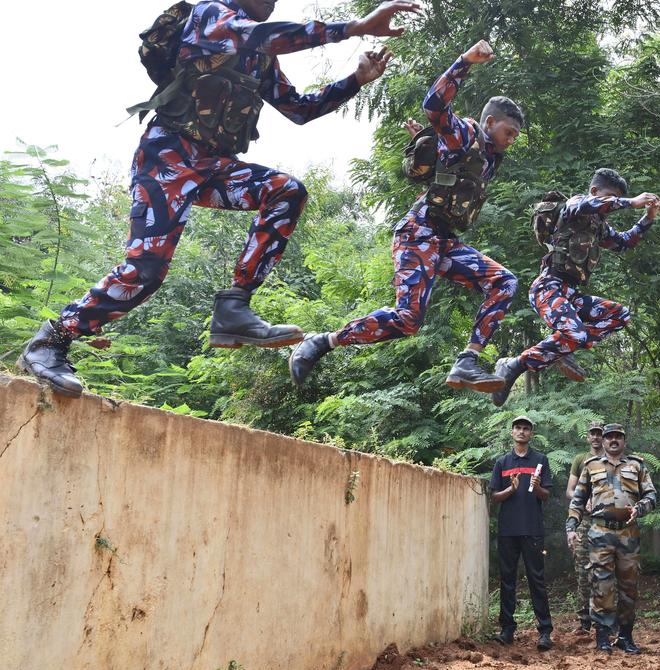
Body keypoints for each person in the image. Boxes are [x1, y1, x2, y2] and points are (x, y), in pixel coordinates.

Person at [19, 0, 421, 397]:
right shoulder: (211, 15)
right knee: (145, 272)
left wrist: (355, 81)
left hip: (214, 166)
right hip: (169, 159)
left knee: (286, 190)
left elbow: (300, 109)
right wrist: (352, 27)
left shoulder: (261, 60)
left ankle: (234, 307)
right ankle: (51, 340)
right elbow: (261, 35)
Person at [290, 39, 522, 392]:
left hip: (445, 242)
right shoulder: (465, 134)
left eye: (516, 136)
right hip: (418, 234)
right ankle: (321, 341)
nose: (512, 140)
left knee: (504, 281)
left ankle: (468, 361)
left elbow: (449, 176)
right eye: (509, 132)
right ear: (491, 122)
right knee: (409, 319)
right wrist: (464, 61)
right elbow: (434, 105)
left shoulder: (490, 159)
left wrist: (435, 150)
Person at [490, 169, 660, 406]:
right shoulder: (575, 204)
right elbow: (586, 206)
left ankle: (563, 347)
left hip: (572, 295)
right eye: (609, 197)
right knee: (575, 334)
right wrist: (631, 203)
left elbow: (623, 243)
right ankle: (514, 364)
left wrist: (648, 217)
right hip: (548, 288)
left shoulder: (598, 225)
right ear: (594, 191)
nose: (611, 204)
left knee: (620, 314)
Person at [565, 423, 658, 654]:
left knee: (629, 587)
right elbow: (577, 500)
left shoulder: (637, 465)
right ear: (603, 441)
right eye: (609, 437)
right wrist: (571, 527)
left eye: (618, 437)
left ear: (624, 441)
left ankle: (625, 636)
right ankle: (603, 637)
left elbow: (652, 495)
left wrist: (641, 508)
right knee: (601, 585)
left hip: (629, 534)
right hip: (600, 534)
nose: (613, 441)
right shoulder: (590, 465)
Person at [487, 415, 553, 650]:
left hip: (533, 529)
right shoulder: (502, 462)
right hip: (508, 530)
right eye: (518, 428)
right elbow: (494, 497)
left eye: (526, 429)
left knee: (537, 580)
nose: (522, 432)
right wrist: (511, 489)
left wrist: (536, 488)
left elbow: (546, 496)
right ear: (512, 432)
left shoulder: (540, 460)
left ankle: (545, 631)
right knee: (507, 580)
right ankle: (507, 629)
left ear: (531, 434)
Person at [565, 420, 606, 633]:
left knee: (607, 572)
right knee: (582, 571)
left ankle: (605, 621)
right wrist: (584, 501)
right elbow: (570, 491)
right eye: (593, 433)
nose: (596, 437)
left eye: (600, 433)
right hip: (583, 521)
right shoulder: (580, 459)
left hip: (607, 522)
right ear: (587, 436)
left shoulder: (612, 459)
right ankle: (584, 622)